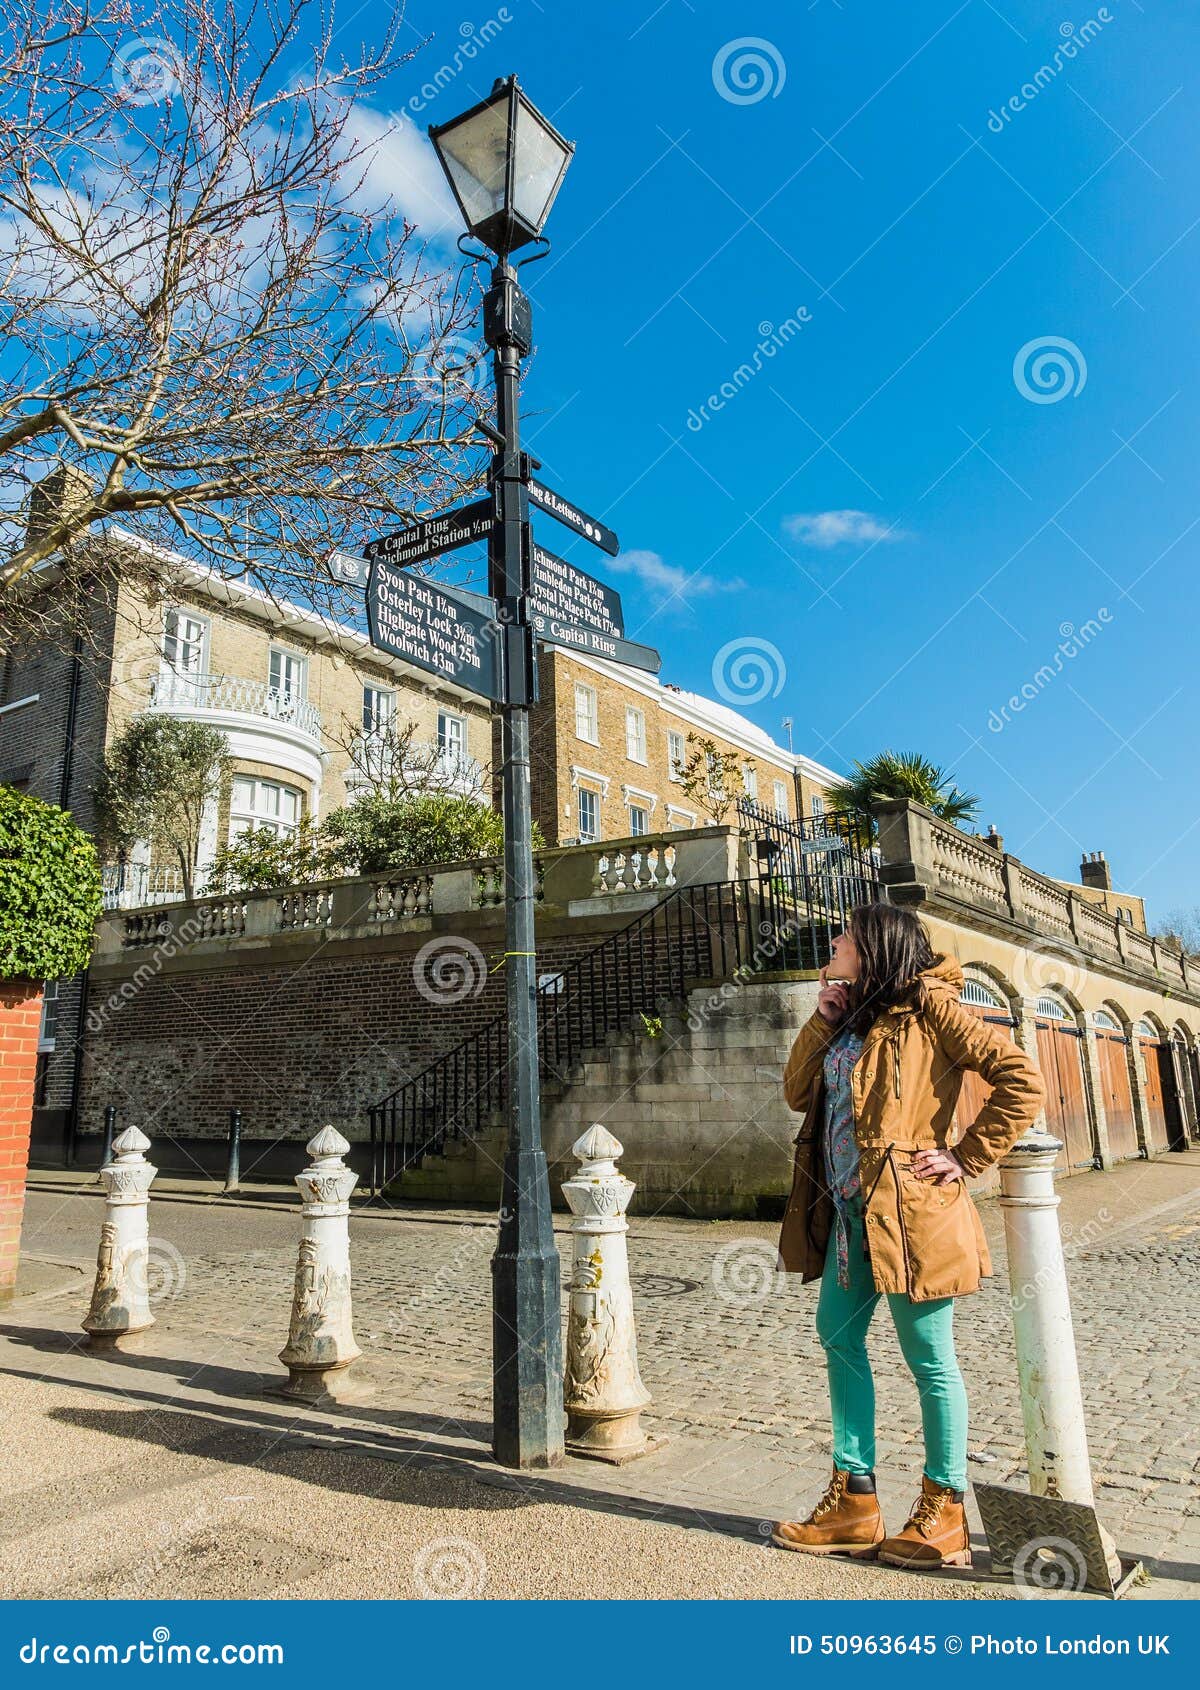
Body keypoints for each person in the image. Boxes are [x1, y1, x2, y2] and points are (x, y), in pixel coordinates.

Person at [770, 901, 1044, 1569]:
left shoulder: (933, 1008)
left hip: (913, 1216)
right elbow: (796, 1093)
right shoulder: (848, 1015)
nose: (831, 941)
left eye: (842, 934)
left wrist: (966, 1157)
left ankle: (943, 1510)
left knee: (929, 1360)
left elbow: (1021, 1081)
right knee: (837, 1335)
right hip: (847, 1218)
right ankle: (854, 1500)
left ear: (872, 947)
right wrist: (822, 1018)